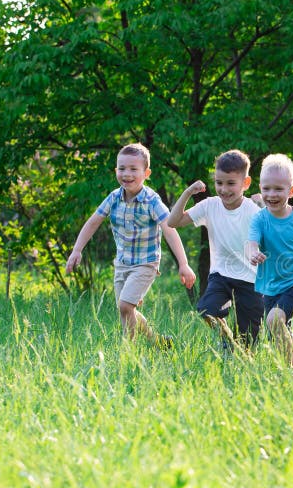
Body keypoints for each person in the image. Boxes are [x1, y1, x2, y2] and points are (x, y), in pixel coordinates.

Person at [65, 143, 196, 346]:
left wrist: (184, 263)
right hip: (122, 263)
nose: (127, 174)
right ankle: (157, 342)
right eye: (122, 168)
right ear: (116, 171)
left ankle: (128, 351)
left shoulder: (152, 201)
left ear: (146, 173)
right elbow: (93, 222)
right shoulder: (114, 198)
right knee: (125, 309)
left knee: (125, 306)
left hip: (146, 263)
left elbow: (170, 229)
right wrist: (77, 250)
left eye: (133, 169)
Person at [167, 149, 264, 351]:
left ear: (245, 183)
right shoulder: (210, 205)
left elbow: (274, 235)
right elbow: (173, 222)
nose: (224, 189)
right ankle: (227, 342)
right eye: (219, 183)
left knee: (248, 341)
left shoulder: (253, 211)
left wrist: (265, 206)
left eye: (231, 183)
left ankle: (239, 353)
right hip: (221, 275)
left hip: (251, 279)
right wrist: (188, 192)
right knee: (207, 310)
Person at [246, 154, 293, 367]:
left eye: (278, 189)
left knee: (274, 320)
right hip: (270, 287)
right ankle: (290, 370)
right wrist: (253, 253)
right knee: (278, 330)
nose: (271, 194)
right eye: (266, 189)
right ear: (260, 188)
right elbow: (252, 242)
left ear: (291, 191)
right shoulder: (259, 219)